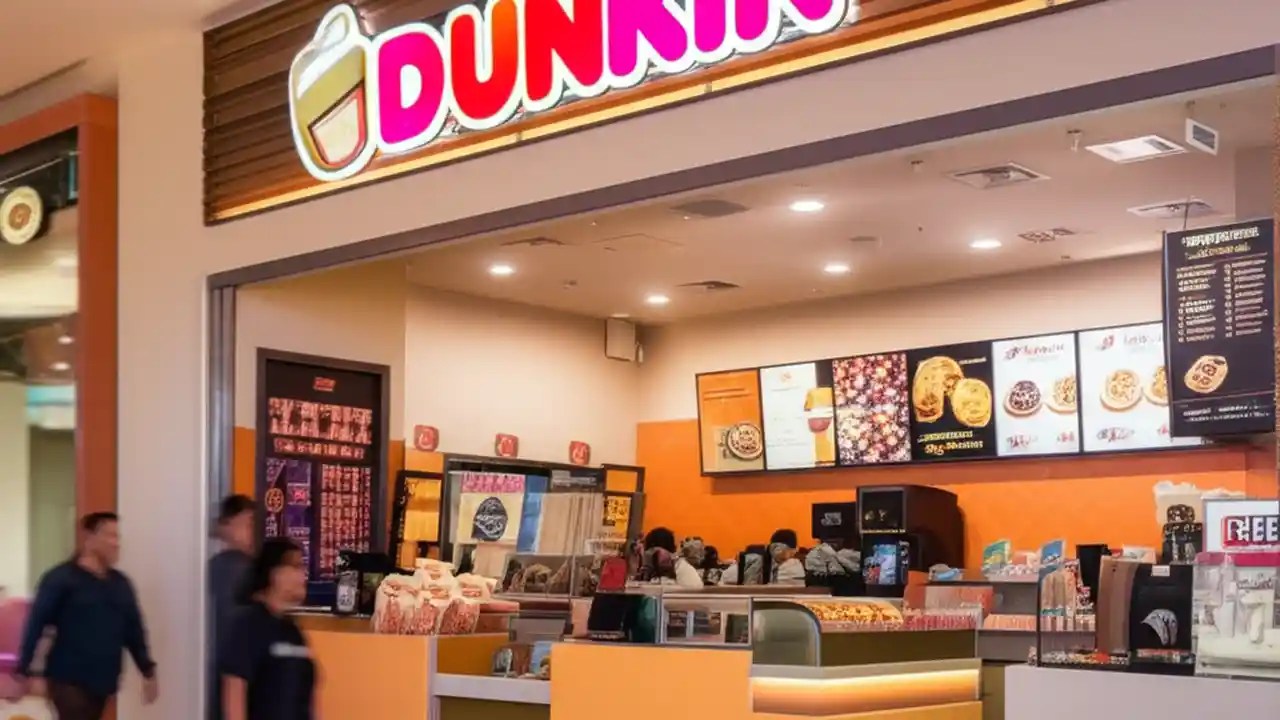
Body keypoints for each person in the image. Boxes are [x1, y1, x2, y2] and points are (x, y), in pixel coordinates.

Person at [9, 512, 158, 720]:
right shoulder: (60, 579)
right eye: (110, 535)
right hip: (69, 680)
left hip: (104, 682)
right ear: (89, 538)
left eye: (117, 536)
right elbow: (36, 624)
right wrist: (24, 670)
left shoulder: (120, 584)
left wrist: (148, 670)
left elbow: (134, 630)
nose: (116, 543)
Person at [220, 538, 317, 720]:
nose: (302, 575)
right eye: (295, 567)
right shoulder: (248, 625)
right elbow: (235, 691)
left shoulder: (293, 633)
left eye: (302, 567)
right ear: (274, 573)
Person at [210, 494, 256, 720]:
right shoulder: (224, 568)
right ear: (227, 524)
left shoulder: (252, 569)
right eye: (246, 523)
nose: (251, 531)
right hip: (227, 669)